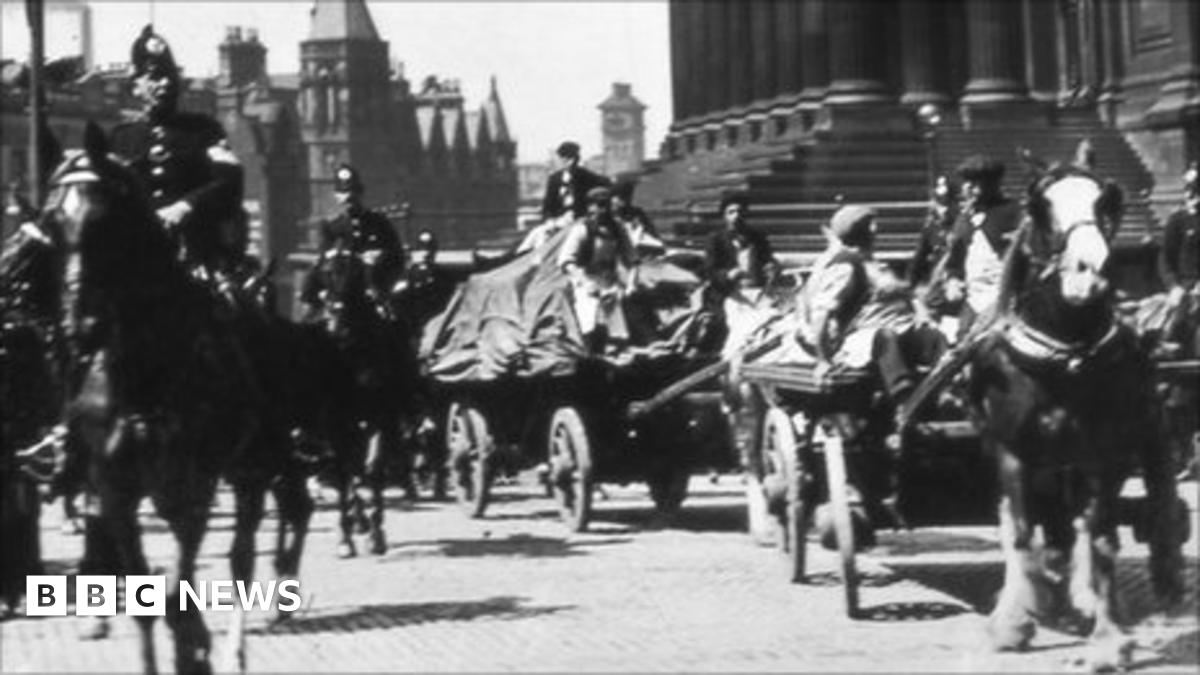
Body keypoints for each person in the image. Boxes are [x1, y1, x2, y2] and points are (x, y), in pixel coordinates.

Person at [108, 25, 244, 283]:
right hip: (134, 258)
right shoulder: (120, 138)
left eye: (170, 76)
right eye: (155, 76)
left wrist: (185, 207)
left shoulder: (204, 130)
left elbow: (229, 181)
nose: (166, 84)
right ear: (135, 86)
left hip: (195, 254)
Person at [793, 205, 940, 411]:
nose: (875, 229)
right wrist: (823, 360)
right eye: (868, 225)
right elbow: (822, 315)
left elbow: (906, 294)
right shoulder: (845, 267)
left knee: (931, 336)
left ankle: (948, 384)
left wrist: (921, 311)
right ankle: (903, 400)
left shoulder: (876, 264)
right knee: (884, 337)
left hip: (897, 332)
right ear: (855, 231)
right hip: (857, 339)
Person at [300, 163, 406, 319]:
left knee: (393, 324)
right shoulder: (331, 227)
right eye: (343, 192)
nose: (348, 197)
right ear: (336, 195)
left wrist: (381, 260)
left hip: (372, 293)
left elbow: (397, 257)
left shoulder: (378, 223)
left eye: (352, 191)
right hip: (339, 294)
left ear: (360, 193)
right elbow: (323, 261)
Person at [941, 155, 1023, 337]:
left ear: (996, 184)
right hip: (974, 299)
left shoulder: (1015, 213)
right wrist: (953, 280)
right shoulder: (964, 218)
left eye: (982, 185)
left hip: (1008, 299)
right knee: (962, 341)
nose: (976, 191)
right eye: (972, 184)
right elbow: (955, 259)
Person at [558, 186, 635, 353]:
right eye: (598, 205)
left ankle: (616, 351)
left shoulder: (617, 229)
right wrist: (585, 282)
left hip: (609, 282)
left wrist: (630, 283)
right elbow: (566, 261)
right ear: (590, 207)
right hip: (586, 280)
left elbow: (631, 258)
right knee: (589, 320)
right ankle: (589, 351)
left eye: (605, 205)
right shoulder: (582, 230)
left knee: (618, 325)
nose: (602, 210)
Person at [908, 175, 963, 335]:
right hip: (937, 291)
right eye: (940, 202)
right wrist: (910, 287)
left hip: (960, 288)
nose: (944, 209)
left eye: (948, 202)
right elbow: (919, 260)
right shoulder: (931, 228)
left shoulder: (965, 226)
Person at [1157, 162, 1200, 357]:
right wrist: (1173, 287)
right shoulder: (1178, 220)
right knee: (1171, 326)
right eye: (1190, 190)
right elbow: (1166, 259)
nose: (1191, 196)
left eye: (1196, 190)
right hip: (1185, 290)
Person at [612, 179, 665, 259]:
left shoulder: (637, 213)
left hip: (639, 249)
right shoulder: (611, 215)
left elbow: (651, 232)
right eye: (620, 197)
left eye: (627, 197)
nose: (624, 201)